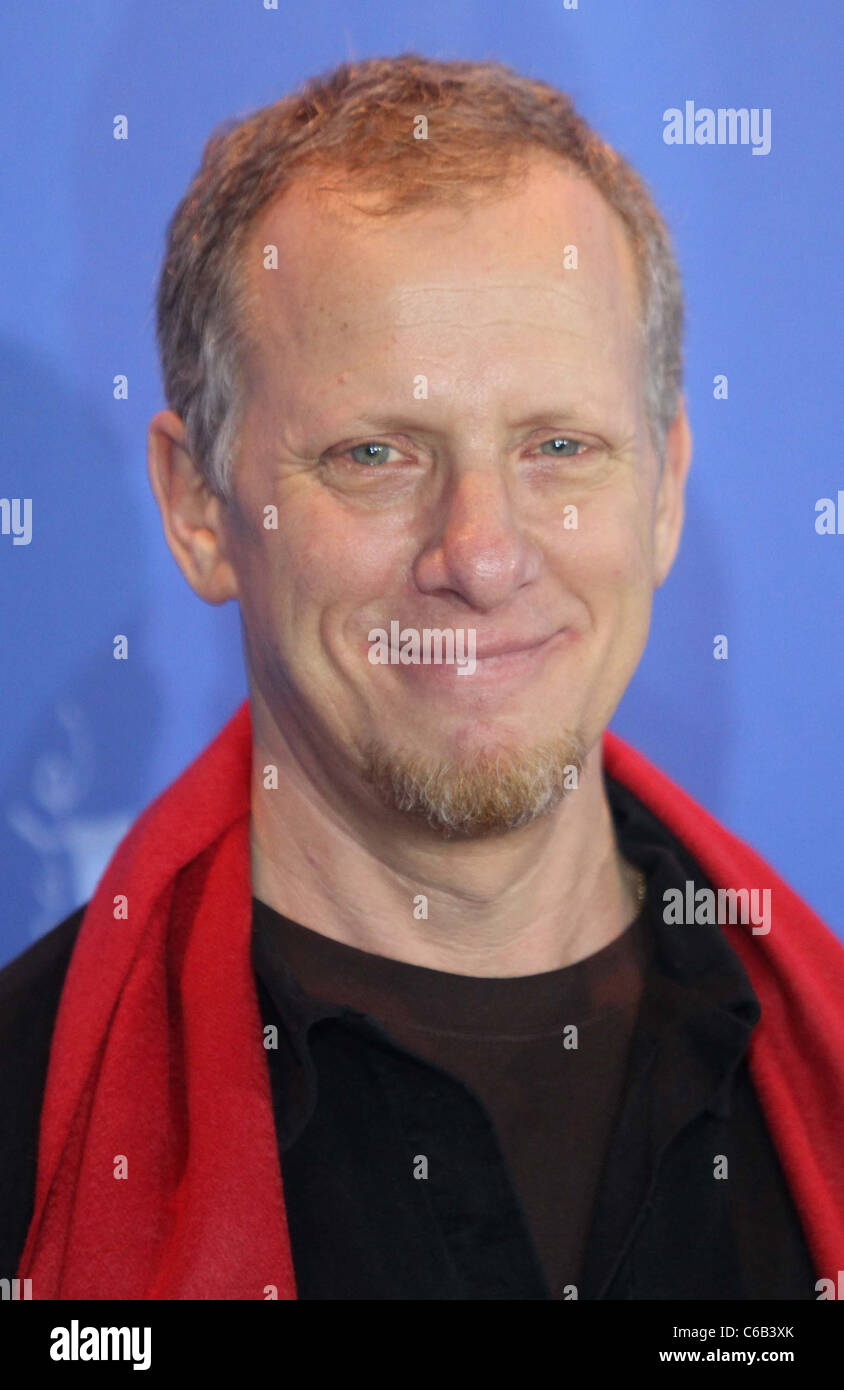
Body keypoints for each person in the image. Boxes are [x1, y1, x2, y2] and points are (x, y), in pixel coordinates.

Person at [2, 54, 842, 1302]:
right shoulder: (25, 1120)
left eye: (559, 445)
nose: (483, 555)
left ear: (662, 489)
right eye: (376, 452)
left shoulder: (813, 1051)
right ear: (197, 509)